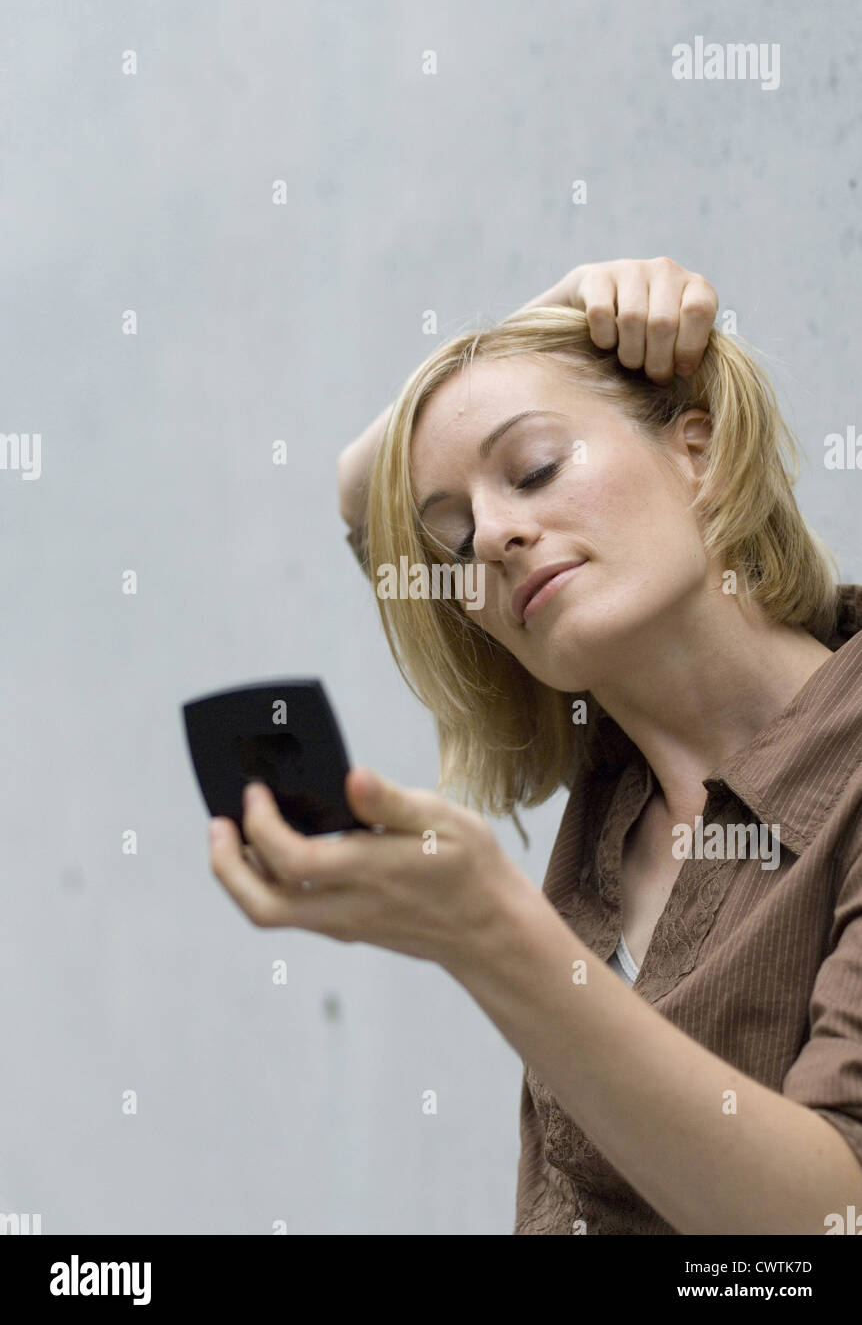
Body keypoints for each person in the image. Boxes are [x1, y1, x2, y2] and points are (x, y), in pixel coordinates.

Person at [209, 257, 862, 1235]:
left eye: (536, 467)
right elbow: (360, 492)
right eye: (456, 534)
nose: (494, 537)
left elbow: (830, 1218)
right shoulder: (613, 777)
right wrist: (549, 311)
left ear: (699, 452)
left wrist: (494, 941)